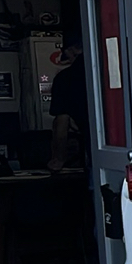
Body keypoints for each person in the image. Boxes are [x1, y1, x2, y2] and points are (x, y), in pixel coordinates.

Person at [47, 38, 87, 171]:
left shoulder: (65, 79)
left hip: (90, 147)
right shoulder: (108, 71)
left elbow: (61, 124)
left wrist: (58, 159)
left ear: (72, 51)